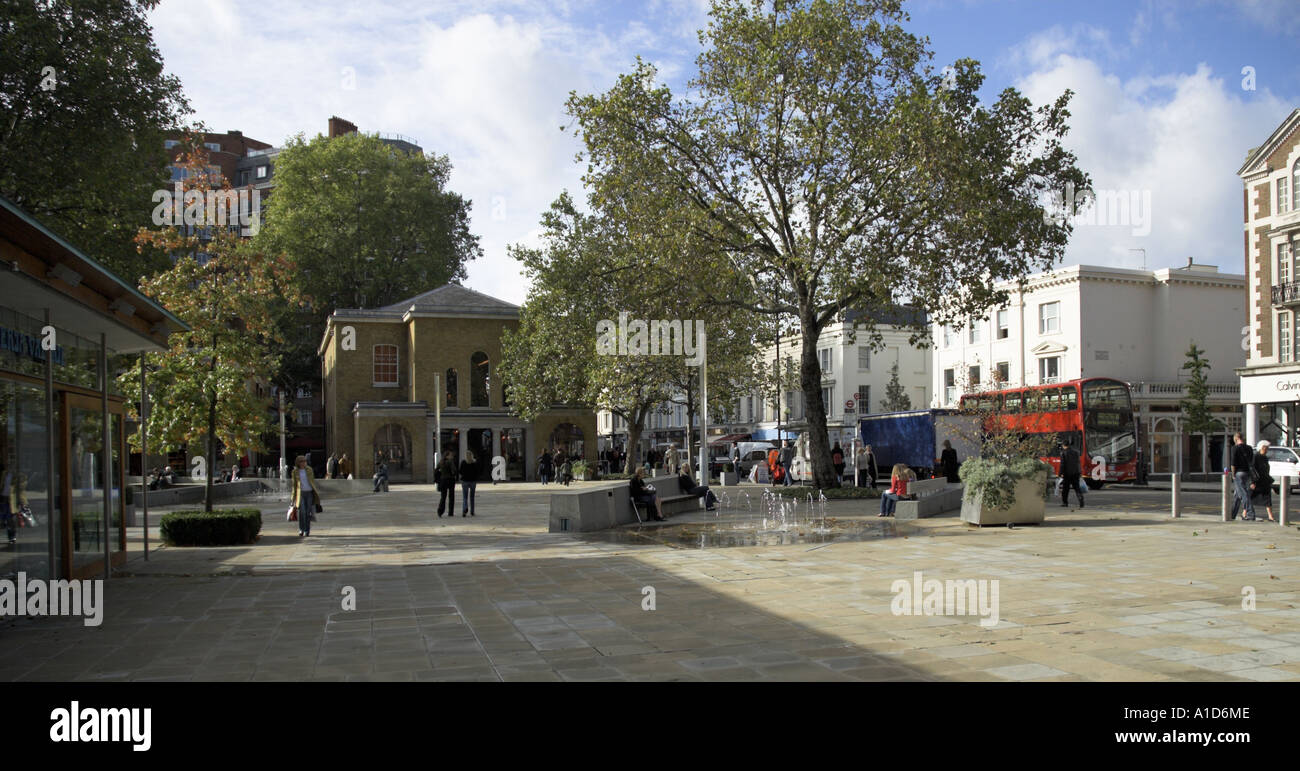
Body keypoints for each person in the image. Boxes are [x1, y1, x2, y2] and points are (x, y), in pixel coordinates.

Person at [290, 455, 321, 537]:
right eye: (302, 461)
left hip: (309, 493)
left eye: (305, 461)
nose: (304, 463)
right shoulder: (295, 471)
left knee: (307, 512)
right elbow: (294, 485)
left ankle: (307, 530)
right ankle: (301, 529)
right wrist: (293, 498)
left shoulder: (309, 470)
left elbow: (312, 481)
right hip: (301, 494)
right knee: (302, 512)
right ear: (298, 463)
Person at [1247, 440, 1277, 522]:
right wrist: (1253, 481)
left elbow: (1266, 468)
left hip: (1265, 480)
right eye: (1266, 448)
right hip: (1257, 481)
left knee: (1267, 498)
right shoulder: (1256, 457)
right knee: (1250, 497)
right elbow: (1252, 469)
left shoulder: (1265, 458)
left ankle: (1270, 516)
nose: (1267, 449)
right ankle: (1245, 512)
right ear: (1262, 447)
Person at [1229, 432, 1255, 521]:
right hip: (1247, 473)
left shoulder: (1234, 448)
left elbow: (1233, 463)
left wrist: (1233, 475)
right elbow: (1251, 462)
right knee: (1238, 493)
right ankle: (1232, 514)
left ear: (1236, 439)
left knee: (1243, 494)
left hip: (1239, 473)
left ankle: (1250, 513)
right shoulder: (1249, 448)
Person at [1059, 442, 1085, 508]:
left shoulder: (1063, 453)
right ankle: (1081, 501)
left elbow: (1062, 464)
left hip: (1067, 473)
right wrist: (1080, 472)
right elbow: (1078, 463)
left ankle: (1065, 503)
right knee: (1077, 488)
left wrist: (1060, 473)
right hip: (1076, 473)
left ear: (1063, 445)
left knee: (1065, 489)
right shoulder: (1076, 452)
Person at [436, 451, 458, 517]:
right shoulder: (450, 462)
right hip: (450, 480)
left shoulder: (441, 462)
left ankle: (440, 511)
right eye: (450, 455)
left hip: (443, 480)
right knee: (451, 496)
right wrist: (454, 474)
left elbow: (436, 470)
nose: (452, 456)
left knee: (443, 496)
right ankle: (450, 512)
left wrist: (440, 476)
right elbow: (454, 470)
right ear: (447, 456)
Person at [459, 451, 478, 517]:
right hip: (473, 481)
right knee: (472, 497)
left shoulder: (463, 462)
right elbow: (477, 471)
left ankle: (465, 508)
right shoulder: (474, 463)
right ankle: (472, 511)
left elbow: (460, 471)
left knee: (465, 497)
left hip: (465, 481)